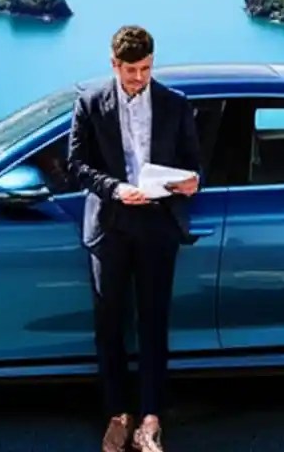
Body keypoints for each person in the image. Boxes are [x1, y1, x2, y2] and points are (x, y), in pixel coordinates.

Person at [67, 25, 202, 452]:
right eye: (131, 70)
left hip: (158, 223)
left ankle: (150, 420)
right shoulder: (90, 103)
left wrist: (191, 182)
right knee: (110, 324)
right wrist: (115, 189)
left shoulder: (175, 104)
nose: (139, 78)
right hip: (110, 224)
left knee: (153, 322)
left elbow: (194, 163)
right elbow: (76, 165)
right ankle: (117, 415)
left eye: (145, 68)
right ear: (114, 64)